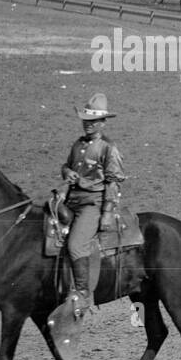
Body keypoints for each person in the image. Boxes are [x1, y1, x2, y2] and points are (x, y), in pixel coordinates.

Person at [60, 93, 127, 320]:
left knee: (77, 245)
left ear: (103, 123)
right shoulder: (78, 144)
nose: (88, 125)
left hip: (92, 203)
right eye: (86, 121)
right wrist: (67, 172)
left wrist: (107, 213)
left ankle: (83, 294)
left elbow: (113, 181)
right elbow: (67, 166)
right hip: (71, 199)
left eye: (93, 122)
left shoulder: (108, 148)